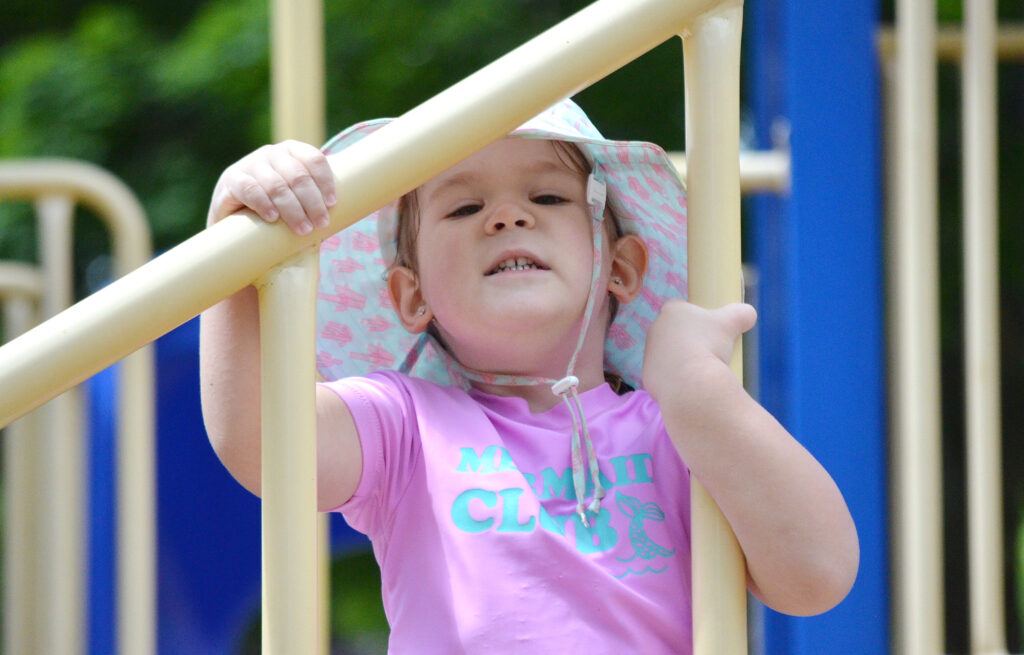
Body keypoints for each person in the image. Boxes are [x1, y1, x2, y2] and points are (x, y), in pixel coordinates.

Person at [200, 98, 858, 654]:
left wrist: (696, 386)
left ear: (621, 266)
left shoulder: (680, 426)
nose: (507, 217)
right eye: (463, 208)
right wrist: (232, 246)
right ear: (411, 295)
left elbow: (817, 574)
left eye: (548, 195)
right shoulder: (404, 422)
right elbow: (261, 441)